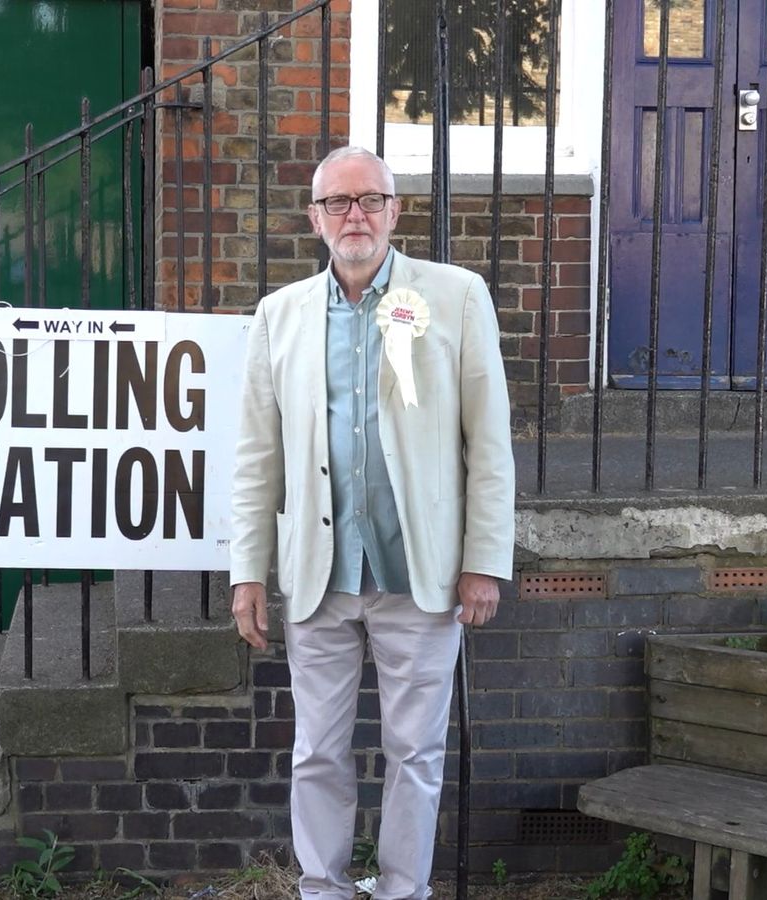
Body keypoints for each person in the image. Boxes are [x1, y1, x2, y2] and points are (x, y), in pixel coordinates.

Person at [228, 145, 516, 900]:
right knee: (317, 750)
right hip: (318, 577)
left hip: (418, 574)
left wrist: (484, 558)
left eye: (370, 199)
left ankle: (401, 892)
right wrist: (247, 573)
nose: (354, 215)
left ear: (395, 210)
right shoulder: (278, 316)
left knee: (414, 752)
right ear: (315, 217)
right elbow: (258, 456)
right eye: (337, 202)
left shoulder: (454, 297)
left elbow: (488, 440)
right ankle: (322, 889)